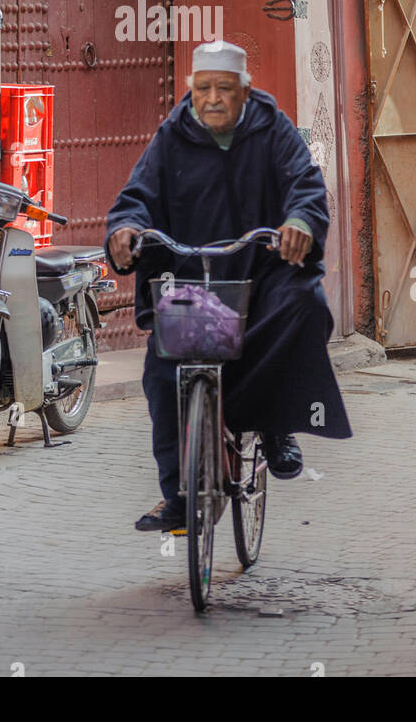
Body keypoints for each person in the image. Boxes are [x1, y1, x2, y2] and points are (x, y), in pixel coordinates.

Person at [105, 39, 352, 533]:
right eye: (202, 89)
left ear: (245, 90)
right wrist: (125, 229)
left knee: (303, 303)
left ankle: (276, 424)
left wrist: (300, 220)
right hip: (194, 281)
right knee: (161, 374)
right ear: (190, 90)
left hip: (260, 276)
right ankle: (179, 496)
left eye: (223, 88)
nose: (212, 99)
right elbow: (137, 196)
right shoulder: (172, 135)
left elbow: (306, 183)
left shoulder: (272, 129)